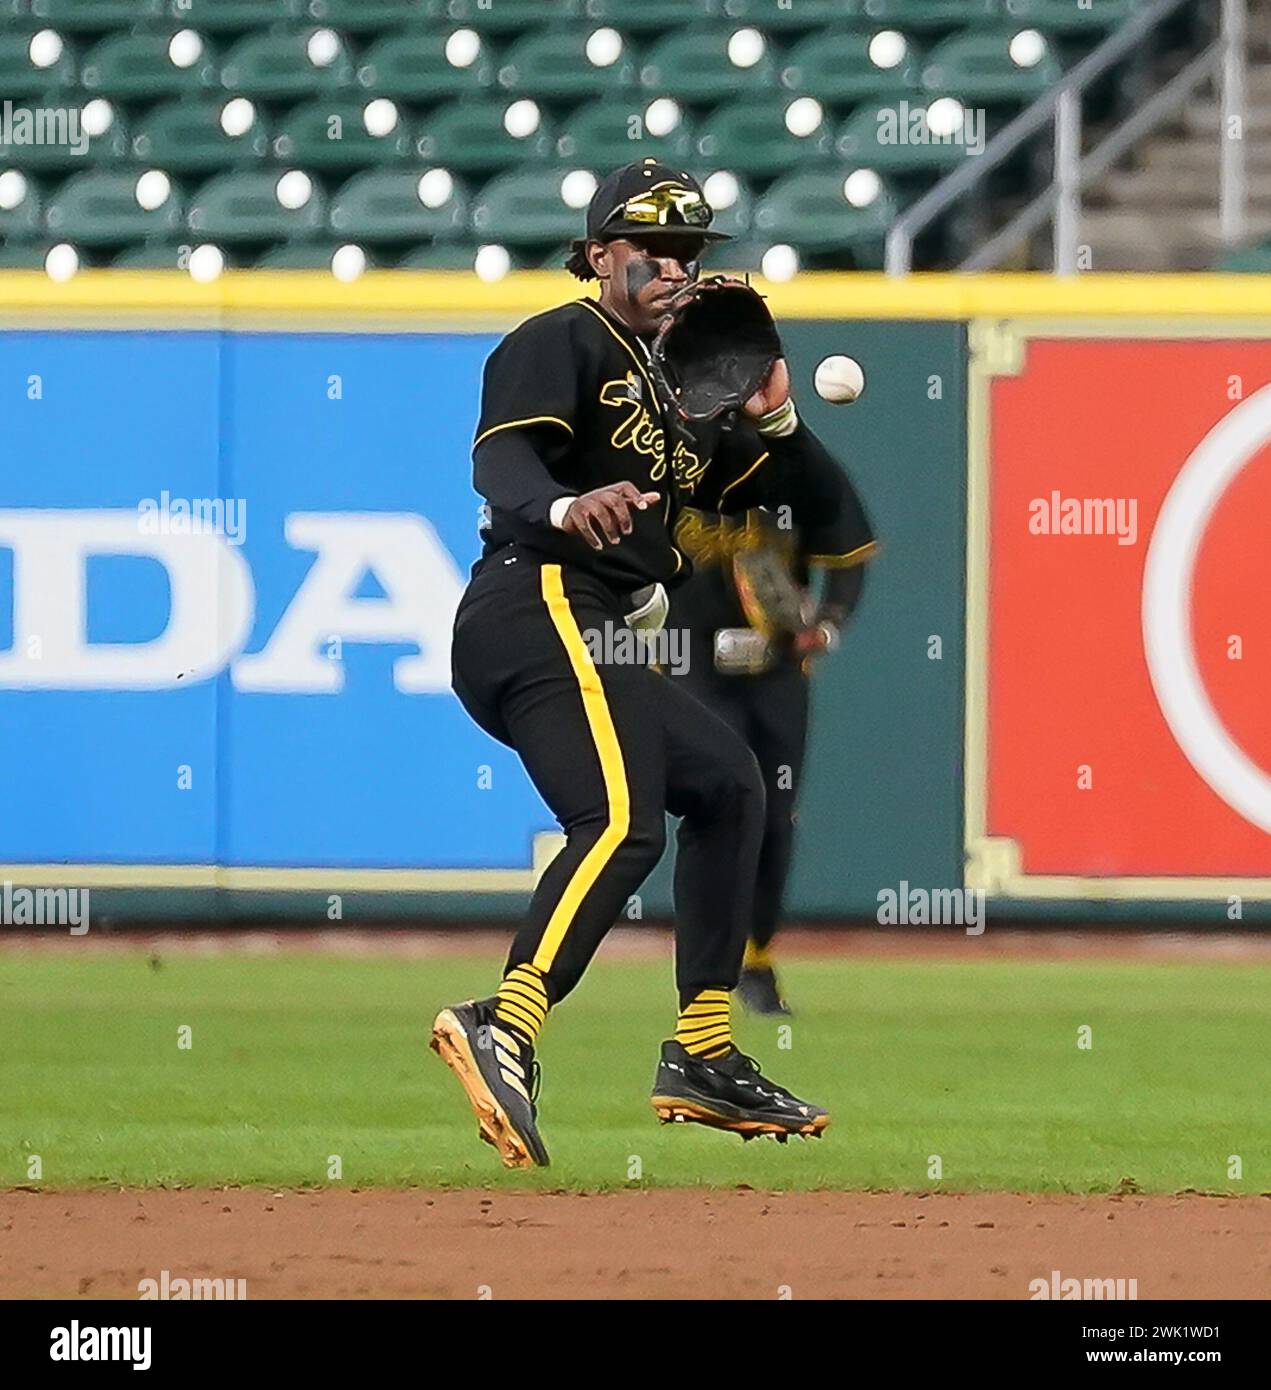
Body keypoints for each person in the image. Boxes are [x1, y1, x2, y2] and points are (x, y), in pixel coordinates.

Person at [431, 159, 868, 1168]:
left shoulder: (678, 403)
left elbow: (795, 493)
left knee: (727, 786)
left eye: (690, 252)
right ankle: (504, 1024)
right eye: (653, 249)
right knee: (621, 820)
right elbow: (500, 459)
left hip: (584, 618)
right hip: (532, 594)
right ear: (598, 255)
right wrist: (556, 505)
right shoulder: (562, 338)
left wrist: (775, 414)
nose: (674, 266)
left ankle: (704, 1052)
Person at [667, 499, 874, 1014]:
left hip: (779, 666)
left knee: (775, 817)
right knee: (721, 805)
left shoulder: (795, 471)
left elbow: (852, 551)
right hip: (693, 659)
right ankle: (707, 966)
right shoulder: (668, 466)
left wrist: (827, 622)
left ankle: (756, 957)